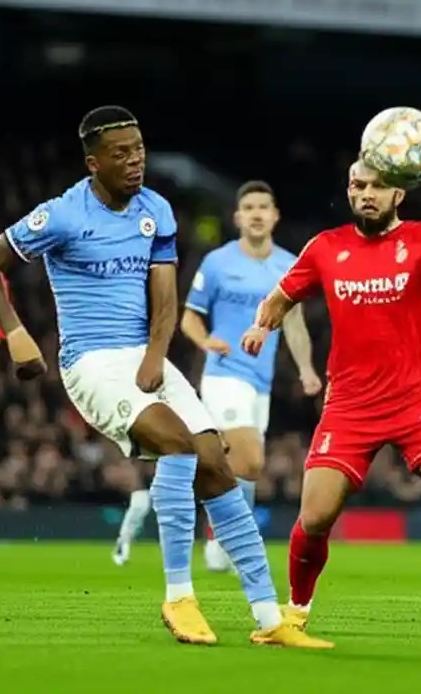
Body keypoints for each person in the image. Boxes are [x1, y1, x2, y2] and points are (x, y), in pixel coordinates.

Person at [0, 105, 330, 648]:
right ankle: (180, 596)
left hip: (144, 354)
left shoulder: (155, 210)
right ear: (94, 163)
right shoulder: (63, 214)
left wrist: (156, 356)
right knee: (177, 447)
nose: (135, 160)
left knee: (216, 465)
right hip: (90, 362)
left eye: (139, 149)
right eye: (121, 154)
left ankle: (267, 616)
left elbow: (165, 299)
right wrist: (16, 334)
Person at [240, 159, 421, 638]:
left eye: (376, 187)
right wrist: (260, 325)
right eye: (357, 185)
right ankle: (295, 613)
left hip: (413, 398)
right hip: (348, 405)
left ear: (398, 196)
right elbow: (283, 295)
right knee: (316, 515)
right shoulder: (326, 248)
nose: (365, 194)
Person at [111, 181, 321, 570]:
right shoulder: (218, 262)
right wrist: (206, 341)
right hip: (224, 374)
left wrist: (306, 369)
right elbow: (190, 315)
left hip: (261, 382)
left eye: (264, 206)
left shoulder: (290, 265)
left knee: (232, 466)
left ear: (275, 216)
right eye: (249, 207)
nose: (257, 213)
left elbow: (294, 324)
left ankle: (159, 501)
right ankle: (228, 539)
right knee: (252, 461)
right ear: (238, 217)